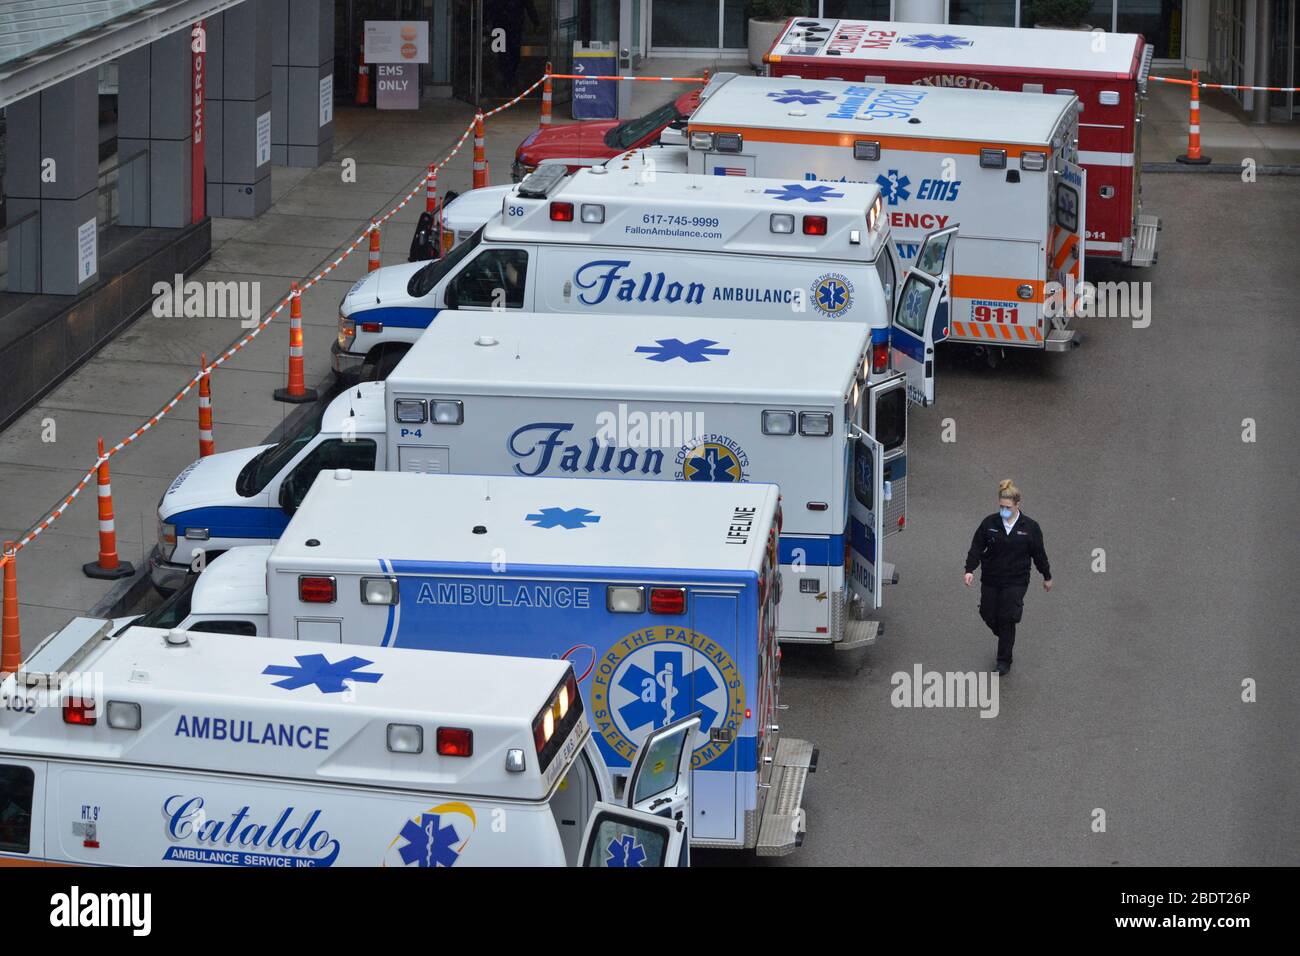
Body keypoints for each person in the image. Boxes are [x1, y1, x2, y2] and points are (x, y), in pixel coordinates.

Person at [963, 479, 1052, 675]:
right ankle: (1004, 635)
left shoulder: (1030, 527)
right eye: (1001, 506)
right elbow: (976, 547)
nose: (1004, 510)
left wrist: (1047, 576)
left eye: (1008, 507)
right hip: (991, 578)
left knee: (1007, 618)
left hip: (1016, 581)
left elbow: (1039, 554)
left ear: (1017, 505)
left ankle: (1004, 660)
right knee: (987, 613)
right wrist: (969, 569)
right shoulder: (990, 523)